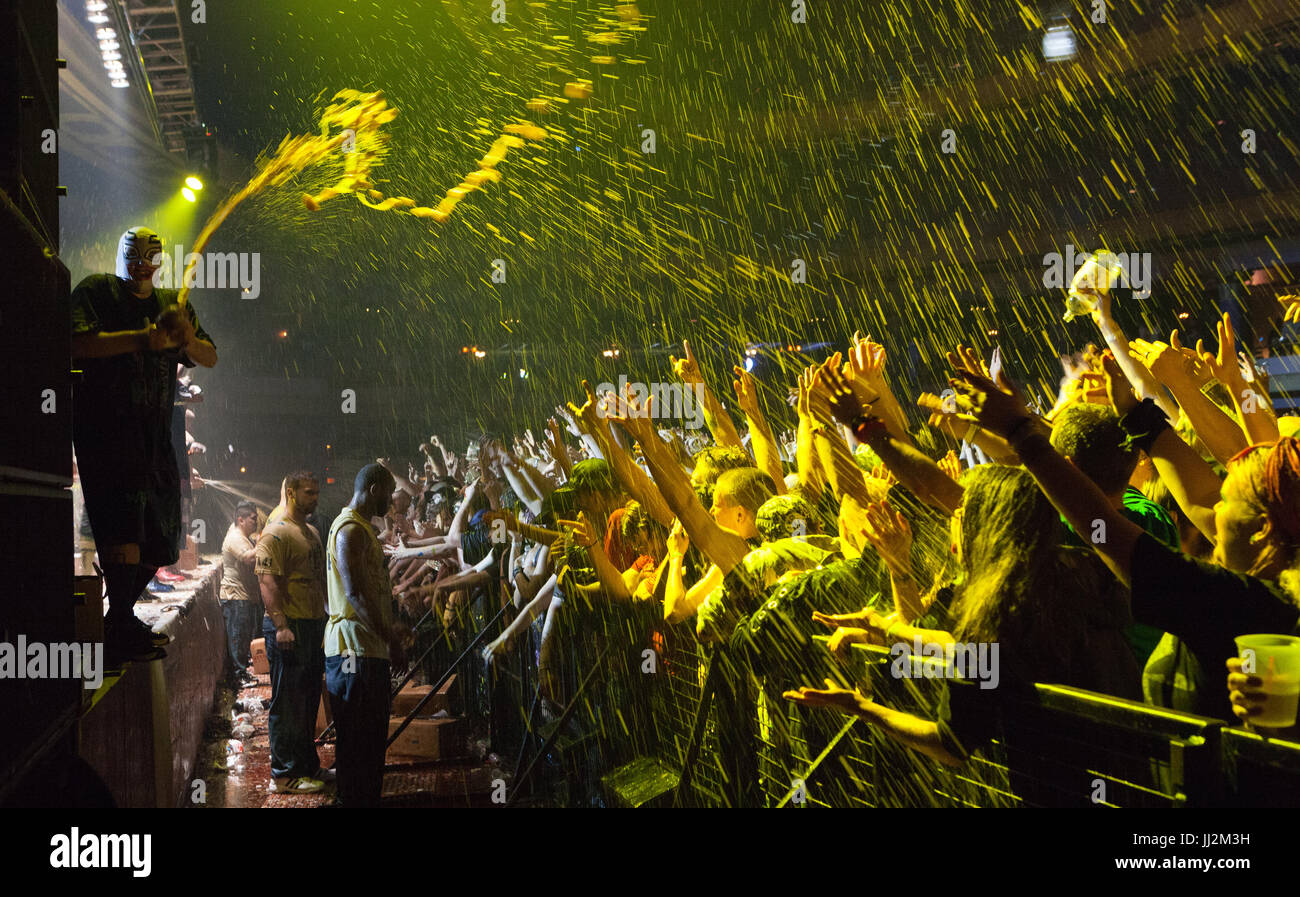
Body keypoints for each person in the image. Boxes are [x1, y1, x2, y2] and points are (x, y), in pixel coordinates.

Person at [70, 226, 217, 665]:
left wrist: (185, 338)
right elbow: (75, 343)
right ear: (122, 257)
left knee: (163, 537)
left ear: (157, 262)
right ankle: (118, 624)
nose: (141, 266)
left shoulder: (172, 303)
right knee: (123, 532)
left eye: (148, 259)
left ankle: (118, 619)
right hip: (107, 434)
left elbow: (209, 356)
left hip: (156, 436)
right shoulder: (97, 292)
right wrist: (142, 338)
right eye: (133, 258)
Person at [326, 464, 406, 807]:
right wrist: (391, 636)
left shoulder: (360, 529)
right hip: (352, 652)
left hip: (365, 649)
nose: (390, 503)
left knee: (369, 742)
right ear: (374, 489)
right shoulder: (350, 532)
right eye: (388, 494)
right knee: (358, 740)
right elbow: (356, 593)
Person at [256, 470, 329, 793]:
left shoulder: (310, 531)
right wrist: (281, 625)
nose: (315, 498)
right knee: (287, 703)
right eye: (308, 493)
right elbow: (267, 581)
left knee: (308, 700)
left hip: (311, 624)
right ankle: (284, 775)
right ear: (291, 493)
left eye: (316, 492)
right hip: (289, 627)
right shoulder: (276, 533)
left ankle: (307, 765)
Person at [219, 502, 262, 688]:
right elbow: (248, 558)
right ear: (240, 520)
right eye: (253, 518)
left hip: (243, 596)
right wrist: (263, 543)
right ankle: (238, 676)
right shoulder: (235, 537)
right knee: (237, 636)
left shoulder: (243, 536)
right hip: (235, 596)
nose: (256, 522)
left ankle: (241, 672)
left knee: (244, 636)